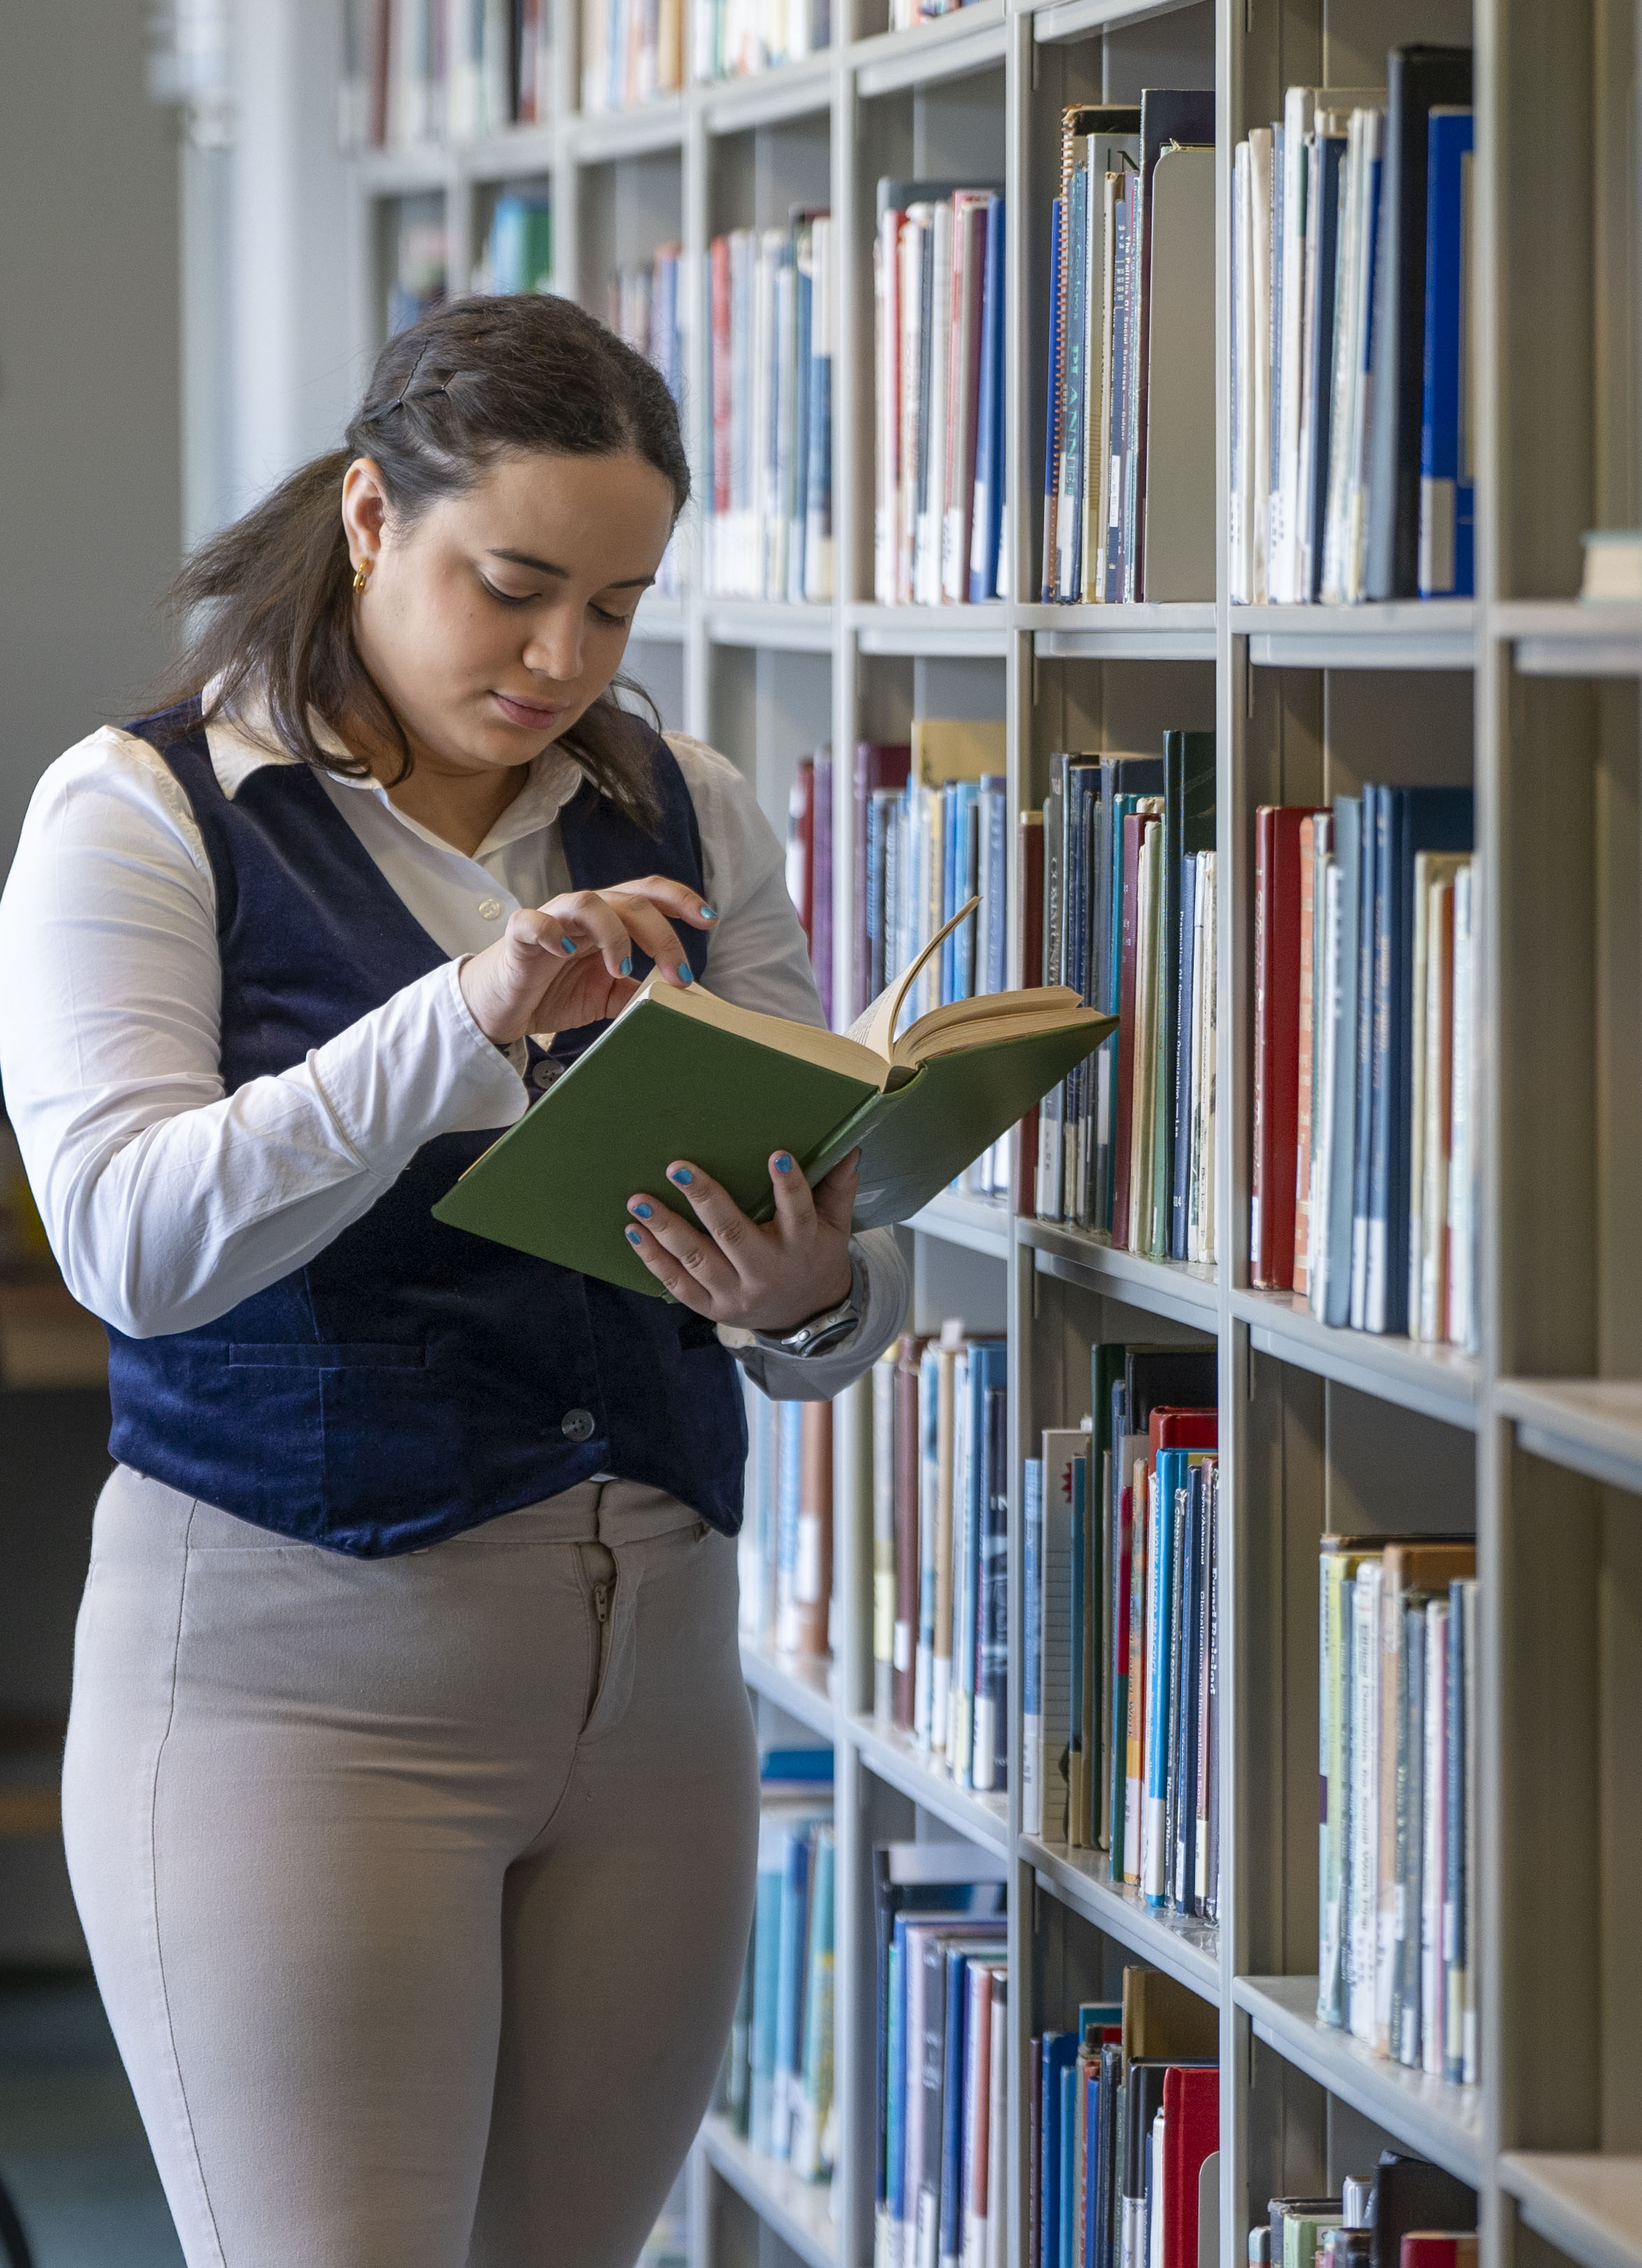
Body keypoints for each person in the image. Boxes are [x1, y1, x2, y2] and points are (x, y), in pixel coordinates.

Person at [0, 294, 907, 2268]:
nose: (564, 660)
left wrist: (808, 1295)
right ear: (367, 518)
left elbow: (829, 1305)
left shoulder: (689, 807)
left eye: (616, 607)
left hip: (657, 1680)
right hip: (293, 1680)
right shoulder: (142, 812)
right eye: (513, 589)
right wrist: (466, 1015)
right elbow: (129, 1247)